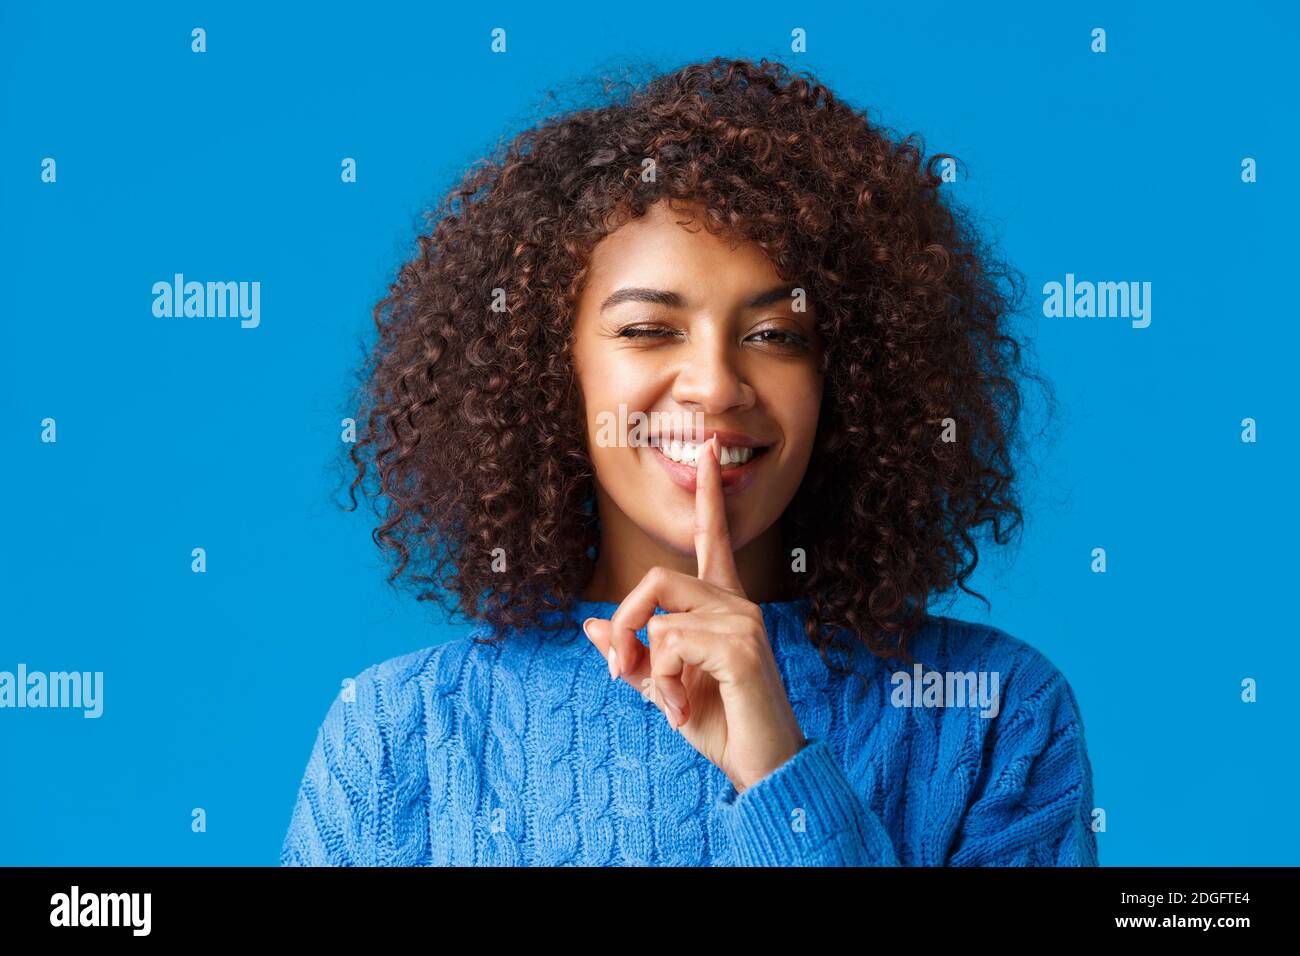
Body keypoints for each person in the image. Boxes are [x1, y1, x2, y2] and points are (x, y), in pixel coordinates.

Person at [281, 57, 1098, 866]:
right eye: (647, 330)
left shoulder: (996, 715)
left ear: (847, 378)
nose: (714, 386)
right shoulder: (398, 735)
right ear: (545, 367)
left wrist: (779, 766)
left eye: (776, 336)